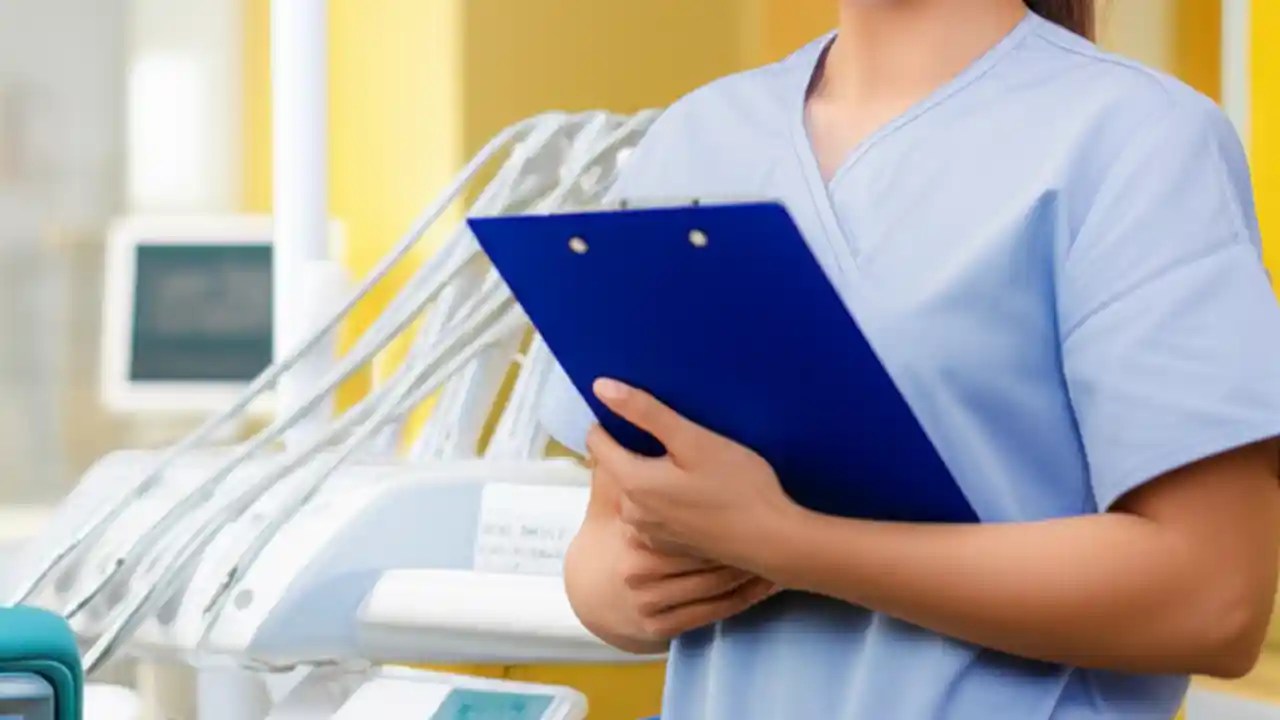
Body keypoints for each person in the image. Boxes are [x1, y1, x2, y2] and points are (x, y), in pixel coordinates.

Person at [542, 1, 1280, 718]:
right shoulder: (698, 135)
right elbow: (604, 549)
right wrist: (631, 587)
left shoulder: (1136, 137)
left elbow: (1214, 598)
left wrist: (790, 545)